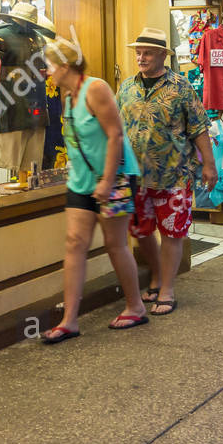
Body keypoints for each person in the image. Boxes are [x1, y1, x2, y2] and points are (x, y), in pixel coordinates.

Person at [40, 39, 150, 344]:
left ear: (64, 67)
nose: (46, 72)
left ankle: (135, 306)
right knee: (74, 243)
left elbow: (115, 134)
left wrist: (106, 179)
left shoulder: (96, 88)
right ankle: (69, 320)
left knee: (115, 244)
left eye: (49, 66)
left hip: (112, 178)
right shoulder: (68, 98)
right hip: (81, 181)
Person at [117, 27, 217, 316]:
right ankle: (158, 273)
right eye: (138, 51)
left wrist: (209, 164)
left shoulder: (181, 87)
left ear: (163, 54)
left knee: (172, 232)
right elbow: (117, 128)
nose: (141, 56)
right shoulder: (126, 87)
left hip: (174, 174)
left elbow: (199, 127)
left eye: (147, 51)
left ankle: (168, 288)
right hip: (136, 177)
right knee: (141, 231)